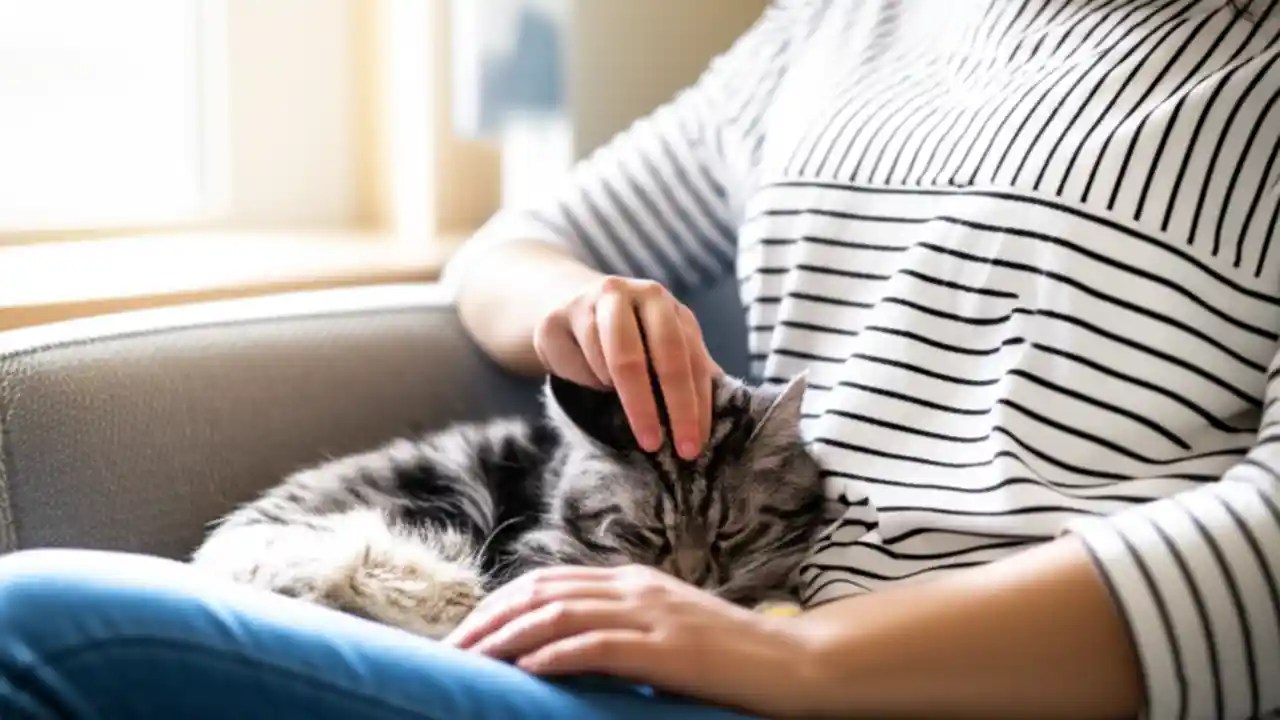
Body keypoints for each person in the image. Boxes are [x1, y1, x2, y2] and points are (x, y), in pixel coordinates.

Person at [3, 1, 1278, 718]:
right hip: (687, 646)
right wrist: (584, 311)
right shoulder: (837, 32)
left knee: (38, 627)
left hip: (875, 682)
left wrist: (801, 660)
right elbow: (511, 249)